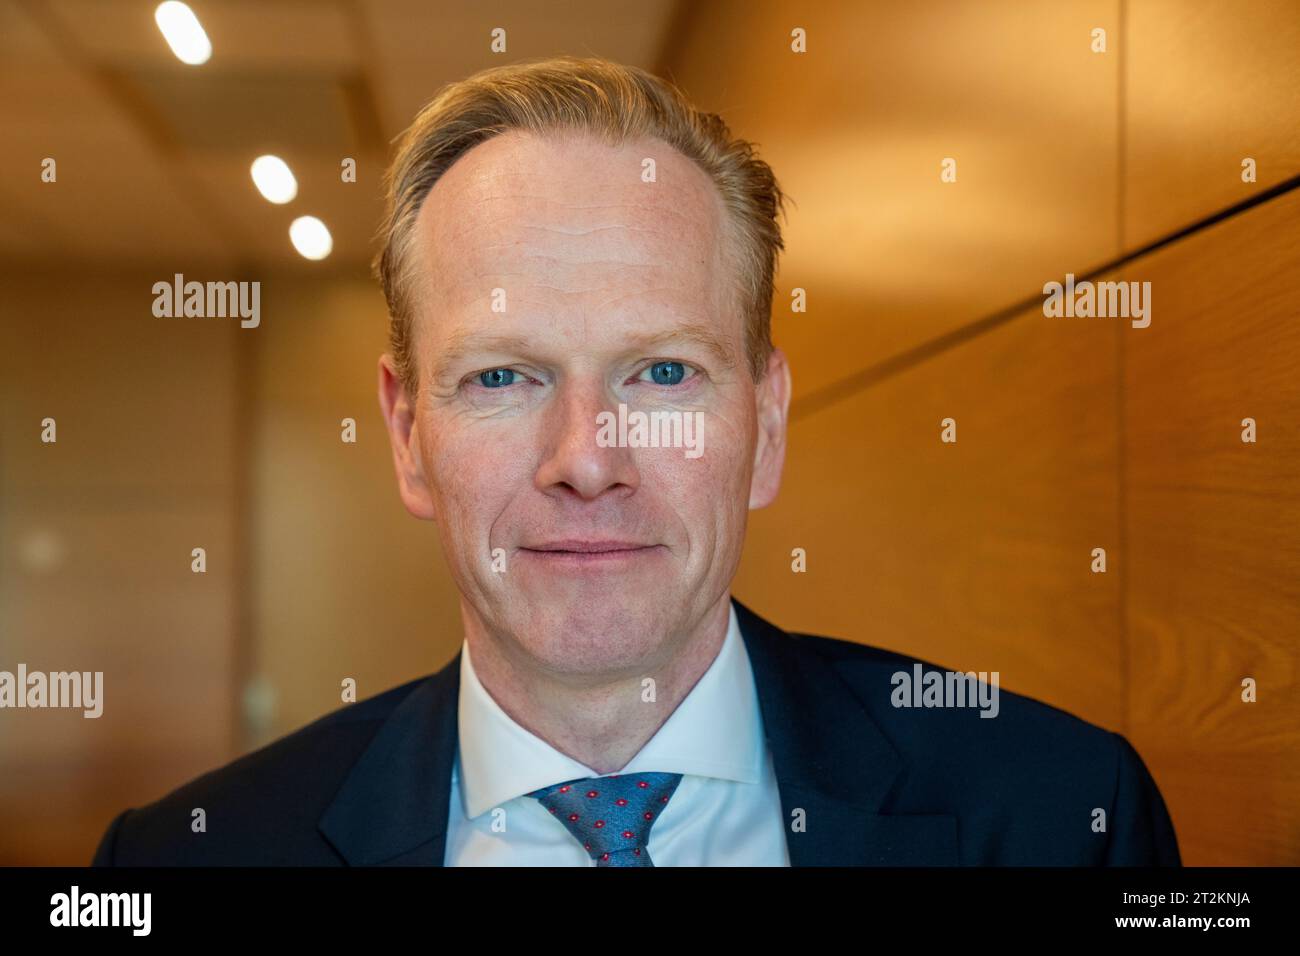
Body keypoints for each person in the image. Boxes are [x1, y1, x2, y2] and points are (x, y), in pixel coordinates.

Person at [92, 55, 1179, 867]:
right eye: (502, 377)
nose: (587, 459)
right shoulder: (192, 856)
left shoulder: (1064, 817)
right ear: (405, 435)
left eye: (660, 373)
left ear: (766, 422)